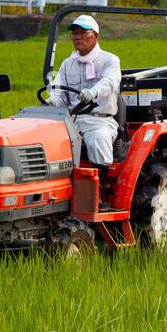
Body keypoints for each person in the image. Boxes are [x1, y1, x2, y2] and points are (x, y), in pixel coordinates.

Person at [48, 14, 121, 196]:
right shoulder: (67, 64)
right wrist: (51, 101)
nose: (77, 37)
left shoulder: (109, 60)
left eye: (82, 33)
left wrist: (93, 92)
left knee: (99, 139)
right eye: (74, 33)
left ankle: (100, 191)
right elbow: (58, 91)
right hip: (71, 121)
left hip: (99, 120)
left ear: (95, 35)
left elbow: (110, 81)